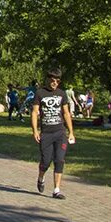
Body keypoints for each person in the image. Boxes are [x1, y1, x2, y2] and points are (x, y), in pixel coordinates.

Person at [32, 68, 75, 200]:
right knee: (45, 161)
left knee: (59, 160)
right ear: (48, 79)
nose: (54, 82)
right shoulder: (40, 93)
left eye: (57, 80)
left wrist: (71, 132)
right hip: (46, 133)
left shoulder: (62, 94)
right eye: (52, 80)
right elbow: (34, 112)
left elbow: (66, 113)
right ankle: (41, 178)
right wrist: (35, 130)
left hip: (60, 132)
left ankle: (56, 190)